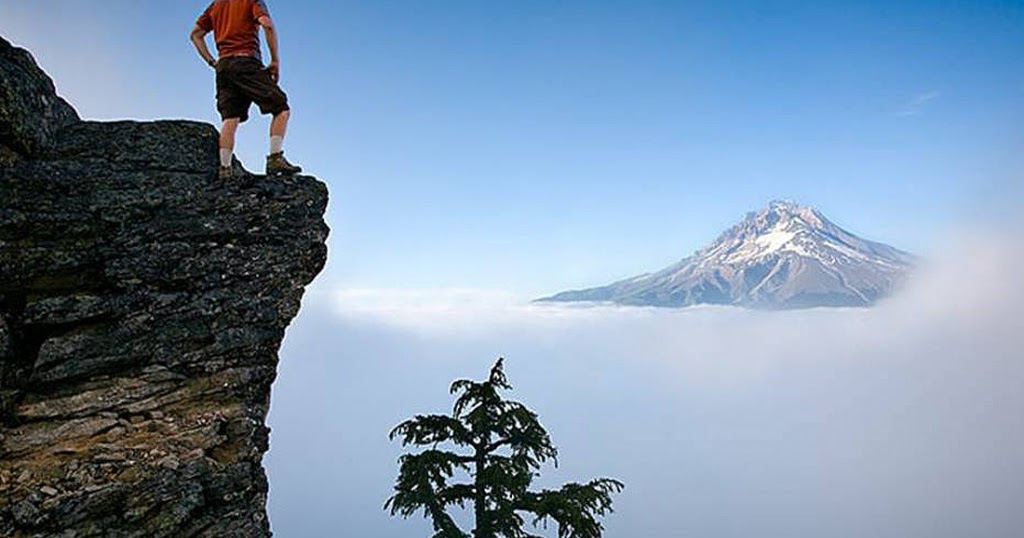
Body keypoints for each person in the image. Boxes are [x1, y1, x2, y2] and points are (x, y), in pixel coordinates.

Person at [190, 0, 301, 179]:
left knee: (230, 118)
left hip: (223, 66)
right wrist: (274, 60)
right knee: (281, 107)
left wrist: (212, 61)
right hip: (246, 61)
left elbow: (195, 34)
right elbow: (268, 25)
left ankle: (225, 169)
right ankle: (275, 158)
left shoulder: (216, 5)